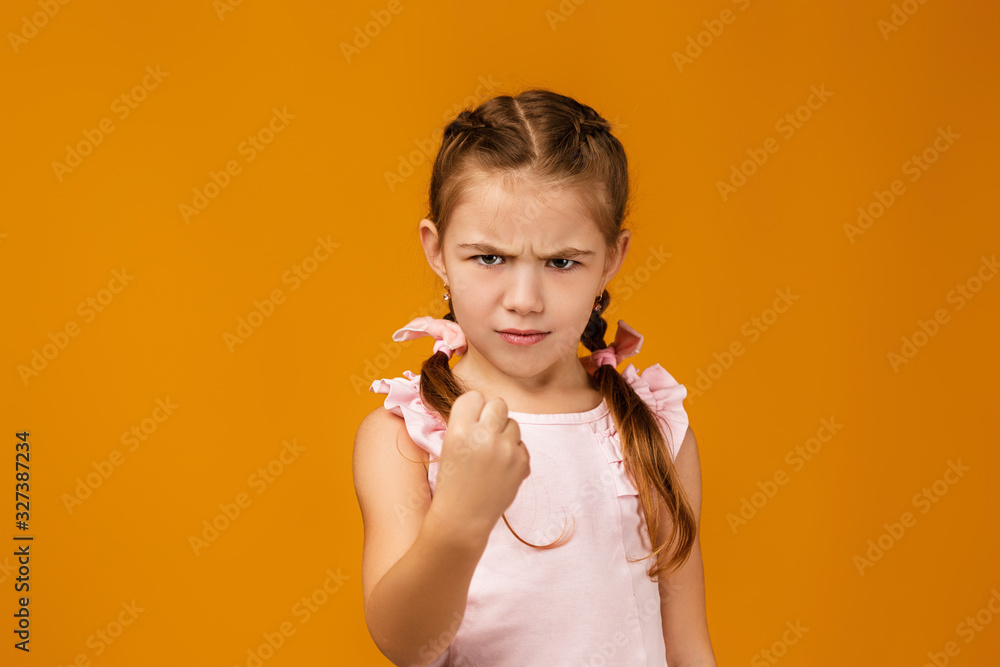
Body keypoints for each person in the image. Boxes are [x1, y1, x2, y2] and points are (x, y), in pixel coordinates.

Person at [353, 88, 717, 666]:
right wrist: (460, 519)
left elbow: (688, 646)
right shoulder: (407, 436)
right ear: (438, 251)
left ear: (611, 260)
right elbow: (407, 647)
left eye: (561, 262)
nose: (524, 300)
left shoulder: (651, 431)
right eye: (490, 258)